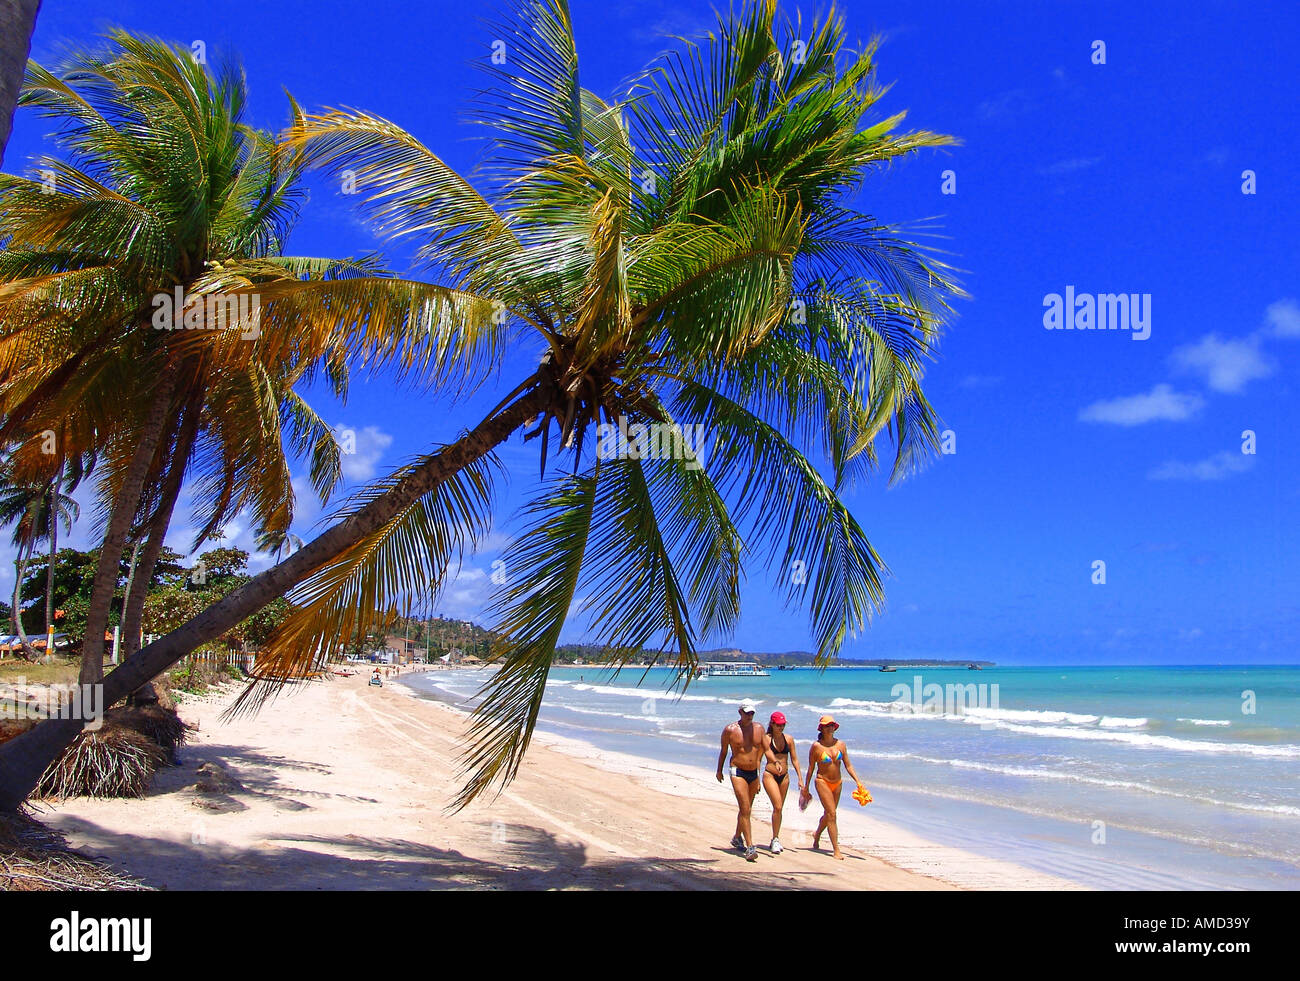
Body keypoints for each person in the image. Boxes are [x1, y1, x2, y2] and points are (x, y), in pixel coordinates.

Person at [716, 699, 777, 862]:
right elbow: (723, 751)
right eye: (747, 713)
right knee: (745, 807)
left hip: (753, 773)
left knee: (747, 808)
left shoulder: (759, 728)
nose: (750, 716)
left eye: (752, 713)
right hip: (737, 770)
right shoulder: (730, 730)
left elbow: (766, 748)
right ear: (740, 713)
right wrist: (719, 770)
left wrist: (774, 761)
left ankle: (737, 837)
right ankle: (750, 847)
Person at [799, 715, 865, 861]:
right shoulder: (816, 746)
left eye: (832, 725)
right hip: (822, 781)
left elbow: (848, 765)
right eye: (827, 725)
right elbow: (810, 768)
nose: (830, 728)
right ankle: (836, 849)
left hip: (838, 783)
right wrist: (806, 787)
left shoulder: (841, 744)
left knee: (829, 814)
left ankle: (817, 835)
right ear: (821, 728)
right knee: (832, 814)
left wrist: (858, 782)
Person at [761, 711, 800, 855]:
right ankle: (775, 839)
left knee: (779, 809)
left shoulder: (788, 739)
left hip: (784, 777)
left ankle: (775, 838)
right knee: (777, 806)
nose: (781, 727)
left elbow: (794, 759)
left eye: (783, 725)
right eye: (778, 725)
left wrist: (800, 778)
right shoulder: (765, 738)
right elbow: (759, 758)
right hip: (770, 775)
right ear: (772, 724)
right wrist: (756, 779)